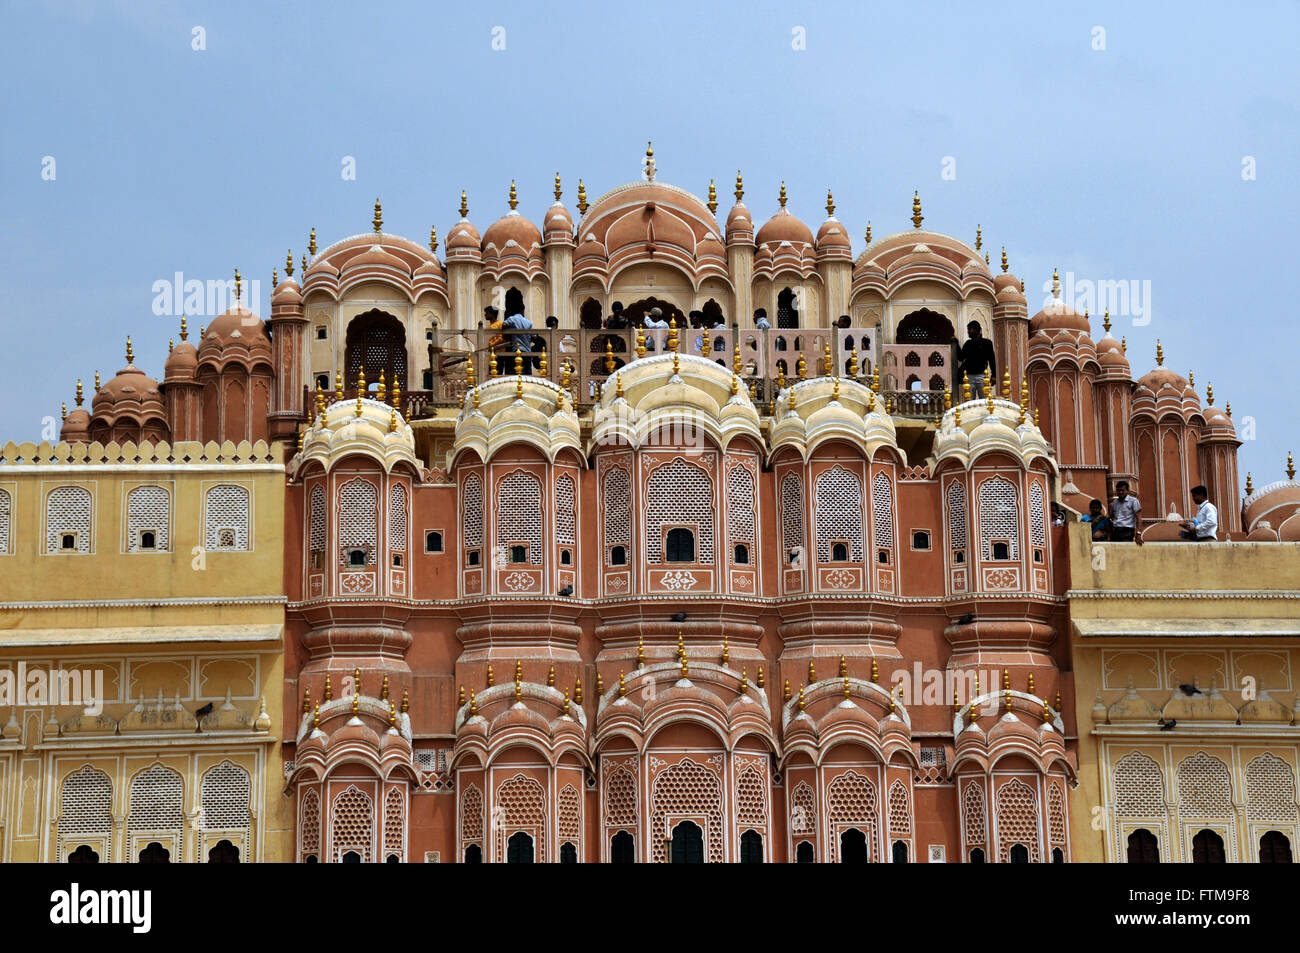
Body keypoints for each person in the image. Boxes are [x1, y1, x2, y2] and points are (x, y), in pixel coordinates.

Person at [957, 321, 996, 399]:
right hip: (969, 377)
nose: (968, 332)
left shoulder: (987, 343)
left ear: (976, 330)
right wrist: (956, 344)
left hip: (981, 376)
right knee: (970, 403)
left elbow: (992, 359)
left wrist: (994, 375)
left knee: (984, 401)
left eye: (969, 329)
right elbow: (961, 357)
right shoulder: (968, 344)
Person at [502, 306, 534, 373]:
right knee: (528, 373)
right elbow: (533, 336)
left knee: (519, 372)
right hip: (527, 350)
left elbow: (504, 324)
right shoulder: (528, 322)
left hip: (517, 350)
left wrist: (506, 334)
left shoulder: (512, 319)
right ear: (523, 311)